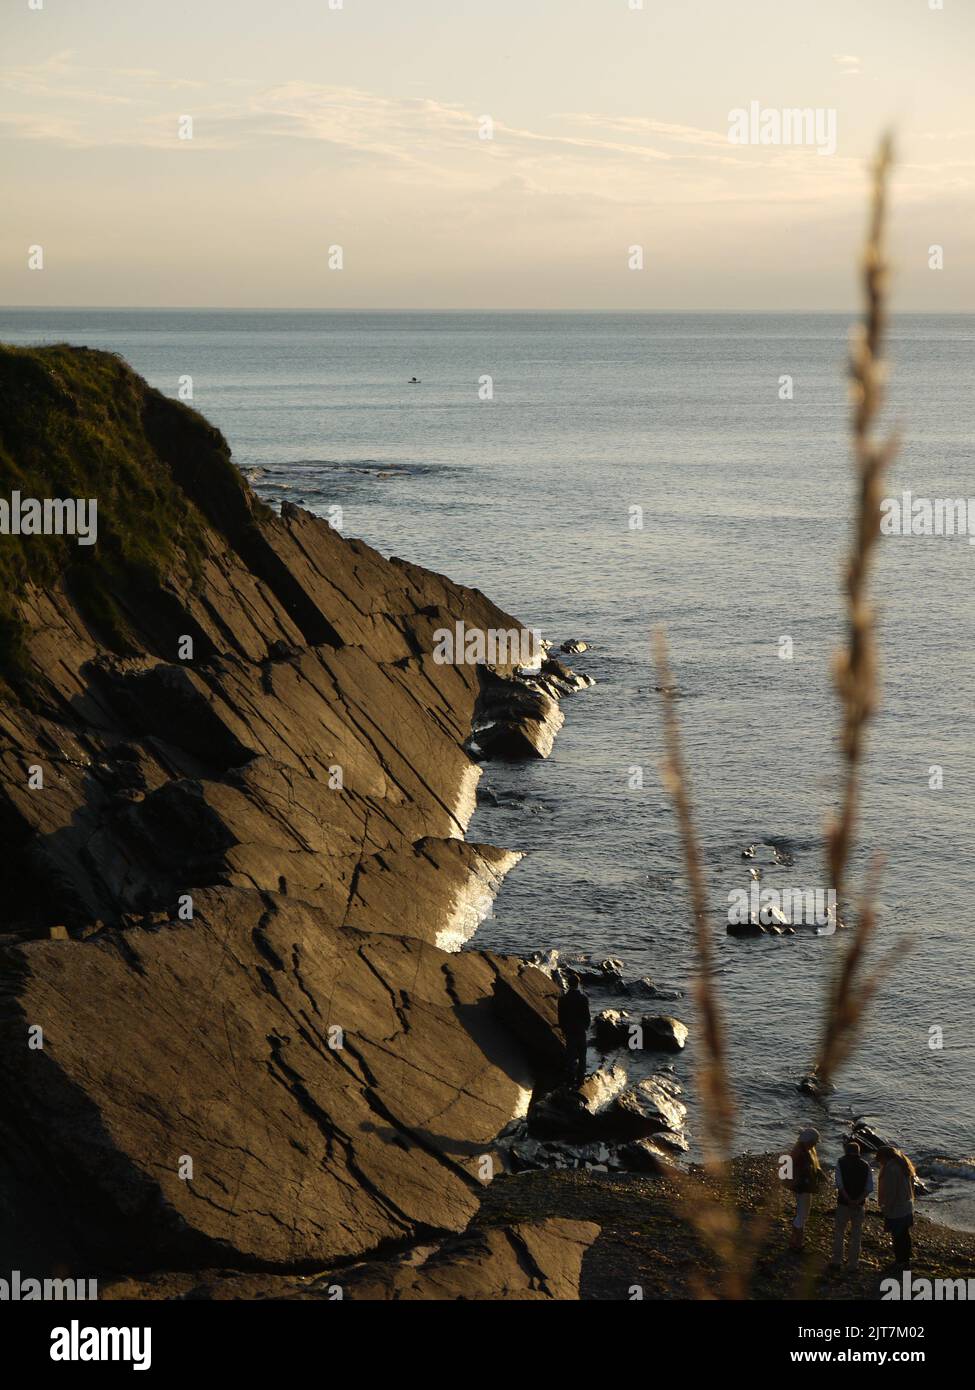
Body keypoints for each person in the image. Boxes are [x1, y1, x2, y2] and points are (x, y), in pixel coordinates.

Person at [830, 1138, 873, 1272]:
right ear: (858, 1152)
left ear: (846, 1151)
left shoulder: (841, 1162)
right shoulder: (866, 1165)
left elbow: (839, 1184)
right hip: (859, 1205)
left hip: (844, 1203)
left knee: (839, 1232)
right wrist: (858, 1200)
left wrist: (848, 1200)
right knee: (856, 1235)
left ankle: (837, 1261)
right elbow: (869, 1187)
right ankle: (853, 1264)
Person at [877, 1146, 917, 1267]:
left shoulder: (891, 1169)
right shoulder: (903, 1165)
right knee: (904, 1234)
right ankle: (905, 1259)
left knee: (898, 1236)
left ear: (885, 1157)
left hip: (897, 1207)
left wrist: (886, 1207)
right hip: (907, 1205)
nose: (880, 1163)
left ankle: (900, 1261)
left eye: (880, 1160)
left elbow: (891, 1191)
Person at [787, 1127, 821, 1250]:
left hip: (802, 1187)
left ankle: (794, 1240)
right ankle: (797, 1242)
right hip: (803, 1187)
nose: (814, 1145)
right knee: (802, 1214)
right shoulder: (801, 1152)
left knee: (802, 1214)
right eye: (814, 1142)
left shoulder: (801, 1149)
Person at [557, 972, 591, 1088]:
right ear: (578, 984)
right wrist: (586, 1027)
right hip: (580, 1030)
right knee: (582, 1055)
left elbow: (560, 1017)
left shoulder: (562, 999)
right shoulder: (583, 999)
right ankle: (581, 1079)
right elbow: (587, 1017)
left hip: (569, 1030)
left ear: (568, 983)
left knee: (570, 1056)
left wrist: (563, 1029)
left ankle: (570, 1079)